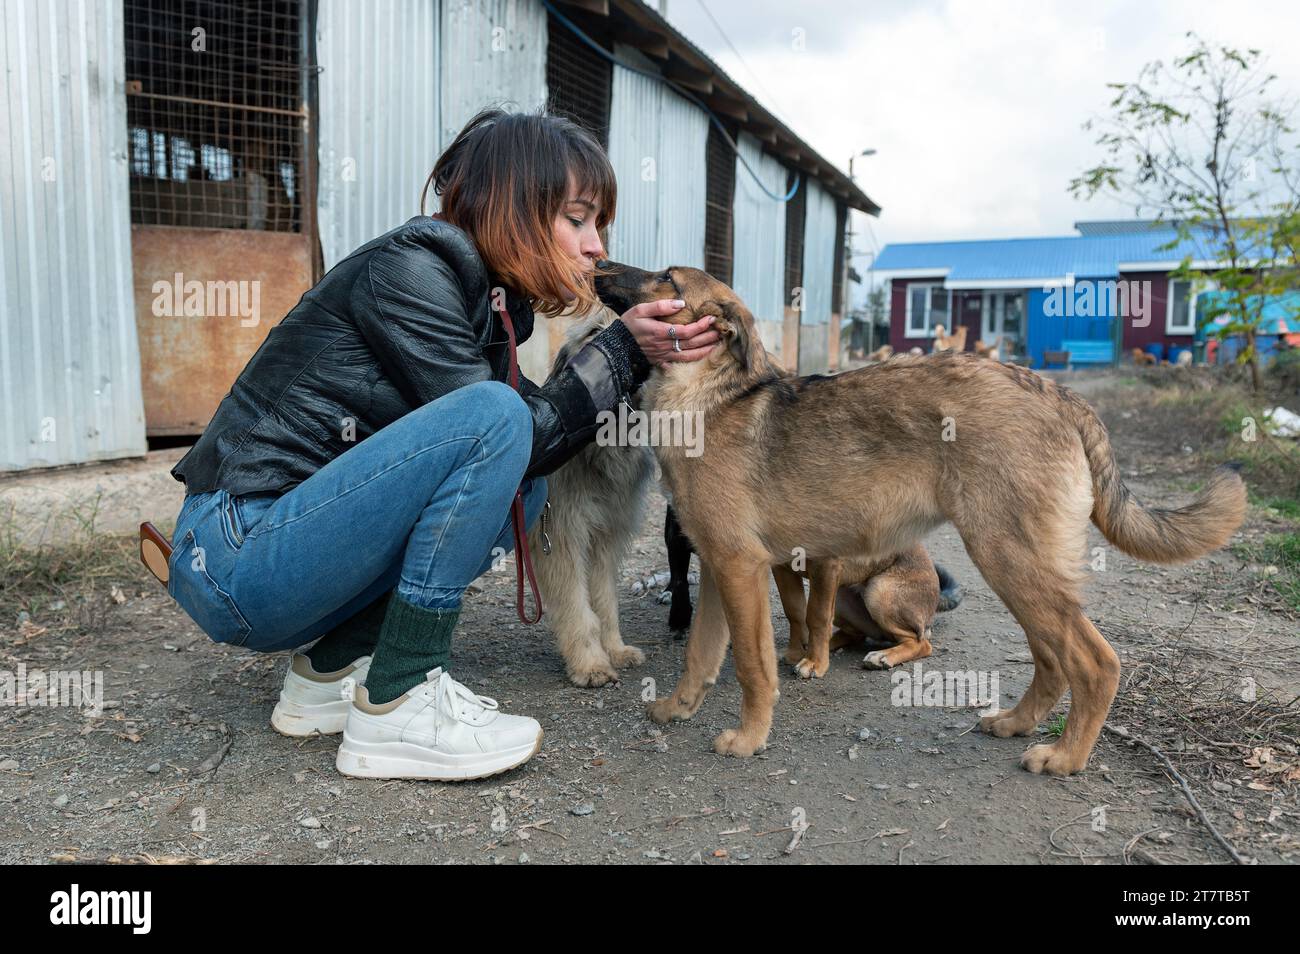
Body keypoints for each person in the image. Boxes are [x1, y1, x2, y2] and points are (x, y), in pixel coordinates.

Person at [166, 109, 720, 781]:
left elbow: (530, 452)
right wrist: (621, 351)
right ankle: (399, 699)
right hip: (236, 554)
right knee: (496, 417)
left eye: (599, 223)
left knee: (526, 481)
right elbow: (510, 426)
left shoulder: (488, 307)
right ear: (511, 207)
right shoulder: (409, 270)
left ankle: (327, 675)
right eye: (577, 219)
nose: (596, 245)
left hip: (281, 557)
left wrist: (626, 357)